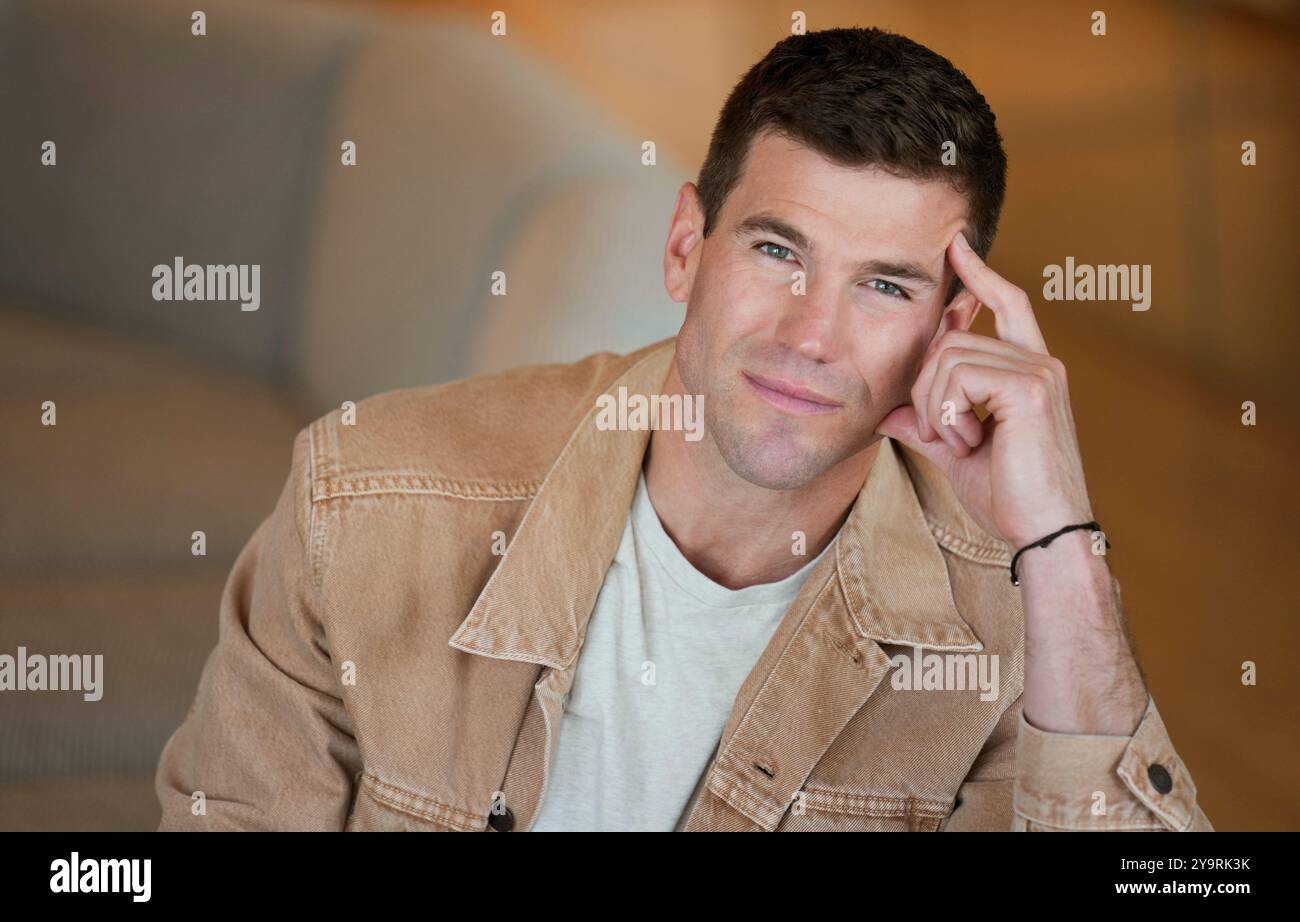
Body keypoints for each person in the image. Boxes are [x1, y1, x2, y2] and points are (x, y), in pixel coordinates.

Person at [156, 27, 1211, 831]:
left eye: (883, 286)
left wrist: (1062, 547)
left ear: (952, 329)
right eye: (775, 252)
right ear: (682, 249)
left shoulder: (1015, 621)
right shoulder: (369, 499)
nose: (812, 335)